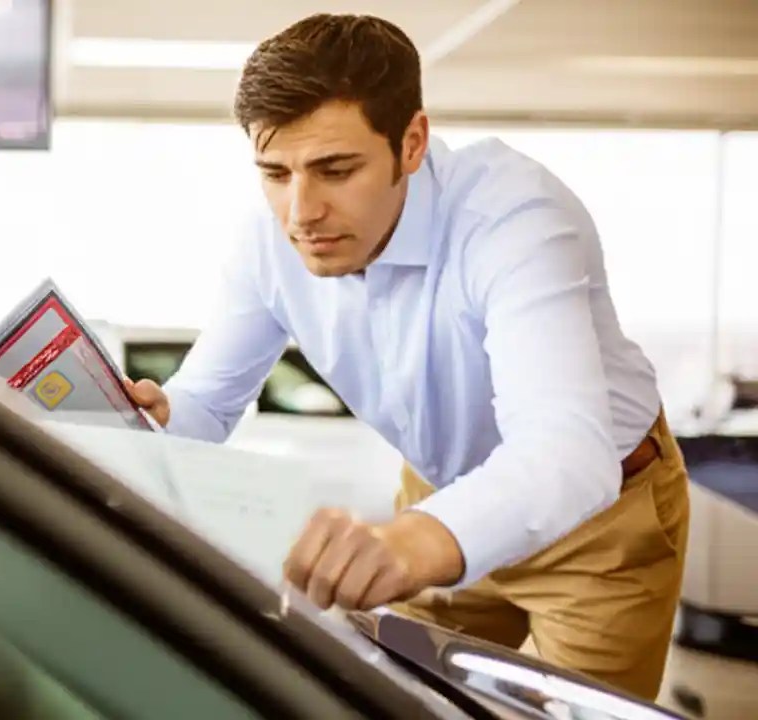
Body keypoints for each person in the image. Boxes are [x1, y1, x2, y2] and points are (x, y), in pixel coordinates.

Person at [123, 12, 689, 702]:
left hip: (598, 520)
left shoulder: (514, 218)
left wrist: (411, 543)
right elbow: (205, 405)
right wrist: (153, 420)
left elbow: (566, 452)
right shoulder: (269, 241)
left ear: (412, 142)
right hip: (442, 494)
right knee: (384, 699)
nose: (302, 211)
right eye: (275, 172)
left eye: (336, 169)